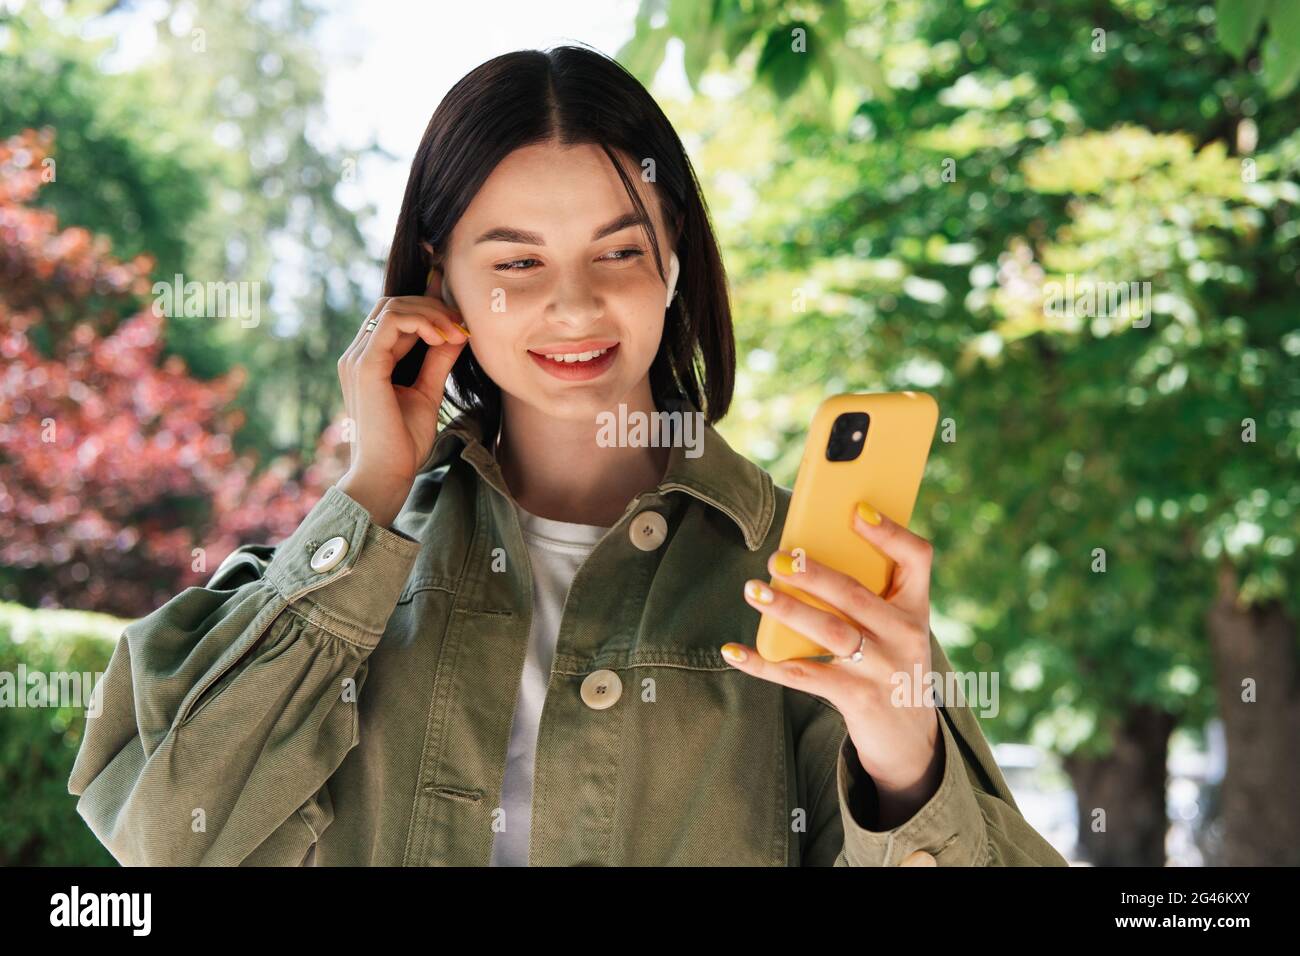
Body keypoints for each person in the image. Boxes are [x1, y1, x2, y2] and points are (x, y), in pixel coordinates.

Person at [68, 44, 1067, 867]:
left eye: (619, 250)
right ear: (438, 277)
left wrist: (902, 758)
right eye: (516, 263)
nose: (575, 306)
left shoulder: (800, 580)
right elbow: (166, 842)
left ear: (675, 259)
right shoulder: (349, 570)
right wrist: (370, 489)